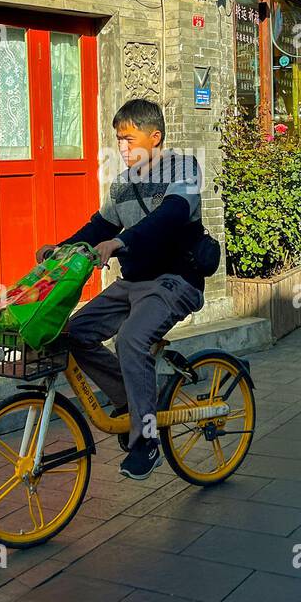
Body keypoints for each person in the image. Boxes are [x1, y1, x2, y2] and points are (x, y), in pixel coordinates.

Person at [37, 99, 206, 480]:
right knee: (73, 335)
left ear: (155, 137)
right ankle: (134, 401)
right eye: (119, 140)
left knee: (130, 338)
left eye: (129, 139)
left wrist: (122, 242)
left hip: (174, 282)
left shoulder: (184, 168)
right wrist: (59, 249)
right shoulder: (122, 185)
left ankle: (146, 442)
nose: (123, 148)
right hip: (132, 284)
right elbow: (98, 227)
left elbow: (172, 214)